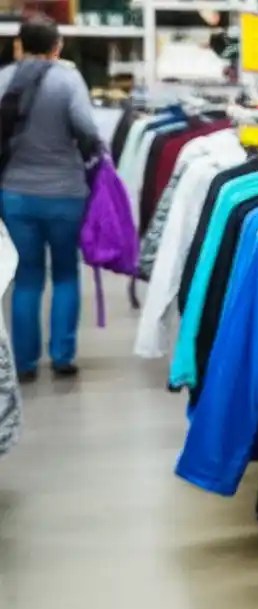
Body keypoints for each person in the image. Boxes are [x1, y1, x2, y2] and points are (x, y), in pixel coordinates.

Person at [0, 15, 102, 382]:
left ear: (19, 45)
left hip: (14, 194)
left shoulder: (4, 80)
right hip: (64, 194)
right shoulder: (68, 79)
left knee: (26, 277)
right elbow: (87, 129)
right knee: (64, 274)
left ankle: (25, 364)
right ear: (57, 46)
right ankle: (62, 356)